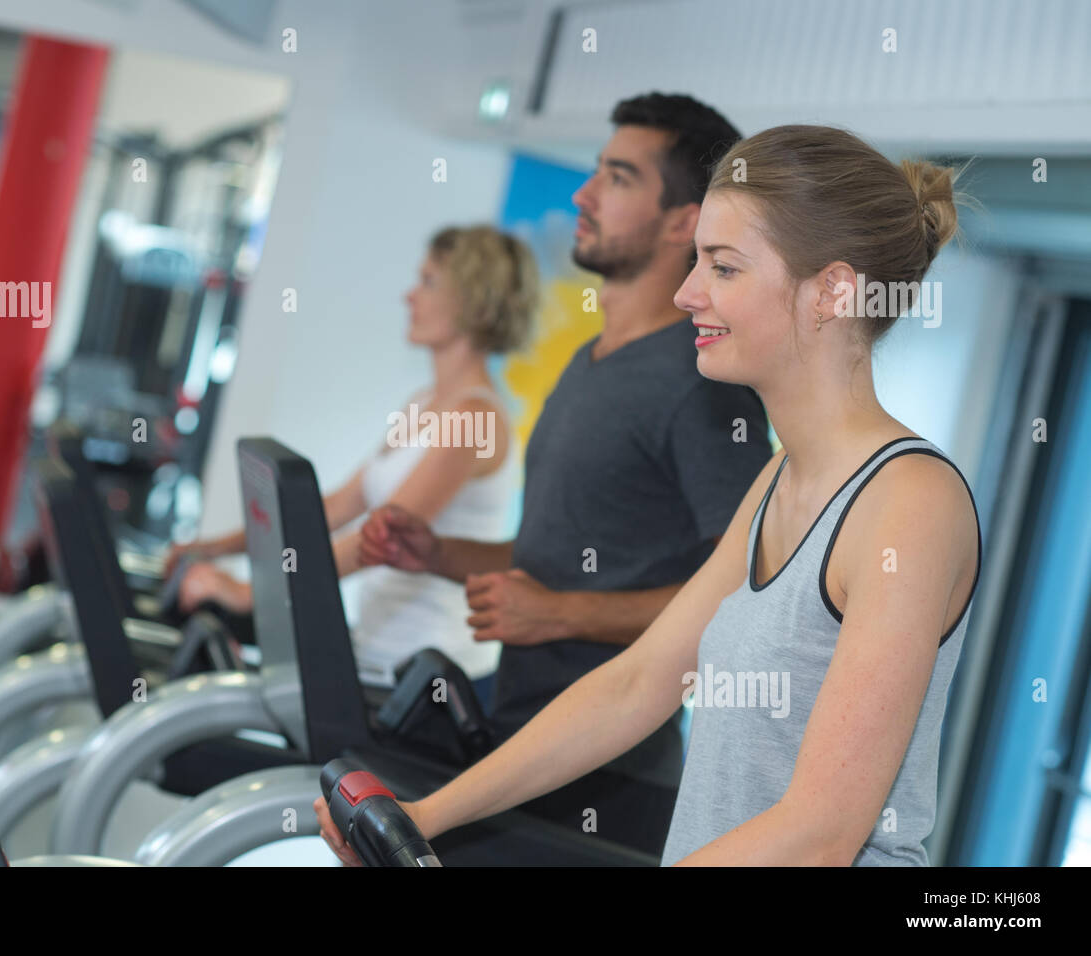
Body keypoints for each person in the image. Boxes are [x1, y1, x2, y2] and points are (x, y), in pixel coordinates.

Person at [320, 124, 983, 866]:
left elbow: (821, 833)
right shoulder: (776, 481)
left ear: (831, 290)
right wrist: (424, 815)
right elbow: (638, 683)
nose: (685, 292)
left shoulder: (910, 504)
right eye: (696, 259)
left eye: (723, 268)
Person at [352, 92, 772, 855]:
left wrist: (564, 615)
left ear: (686, 221)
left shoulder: (706, 387)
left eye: (616, 178)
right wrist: (438, 556)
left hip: (613, 779)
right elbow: (556, 560)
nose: (583, 194)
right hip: (523, 735)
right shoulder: (591, 362)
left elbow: (744, 599)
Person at [166, 225, 539, 694]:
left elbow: (380, 535)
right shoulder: (424, 402)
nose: (409, 296)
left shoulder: (475, 418)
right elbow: (339, 506)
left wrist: (251, 594)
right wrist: (214, 548)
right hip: (375, 648)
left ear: (474, 302)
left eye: (428, 282)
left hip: (427, 671)